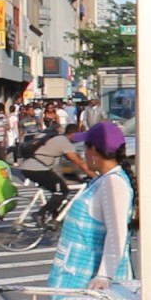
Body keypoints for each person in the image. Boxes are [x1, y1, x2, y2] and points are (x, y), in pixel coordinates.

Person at [47, 121, 136, 290]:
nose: (83, 154)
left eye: (85, 148)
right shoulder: (104, 179)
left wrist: (104, 276)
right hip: (75, 275)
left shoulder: (113, 182)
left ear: (93, 150)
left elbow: (117, 232)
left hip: (87, 282)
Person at [18, 123, 93, 224]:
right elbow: (79, 163)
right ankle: (40, 214)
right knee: (62, 191)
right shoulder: (64, 142)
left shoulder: (54, 138)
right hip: (37, 169)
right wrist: (95, 176)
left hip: (28, 167)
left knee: (57, 188)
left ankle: (55, 217)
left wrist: (74, 178)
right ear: (74, 134)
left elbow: (66, 166)